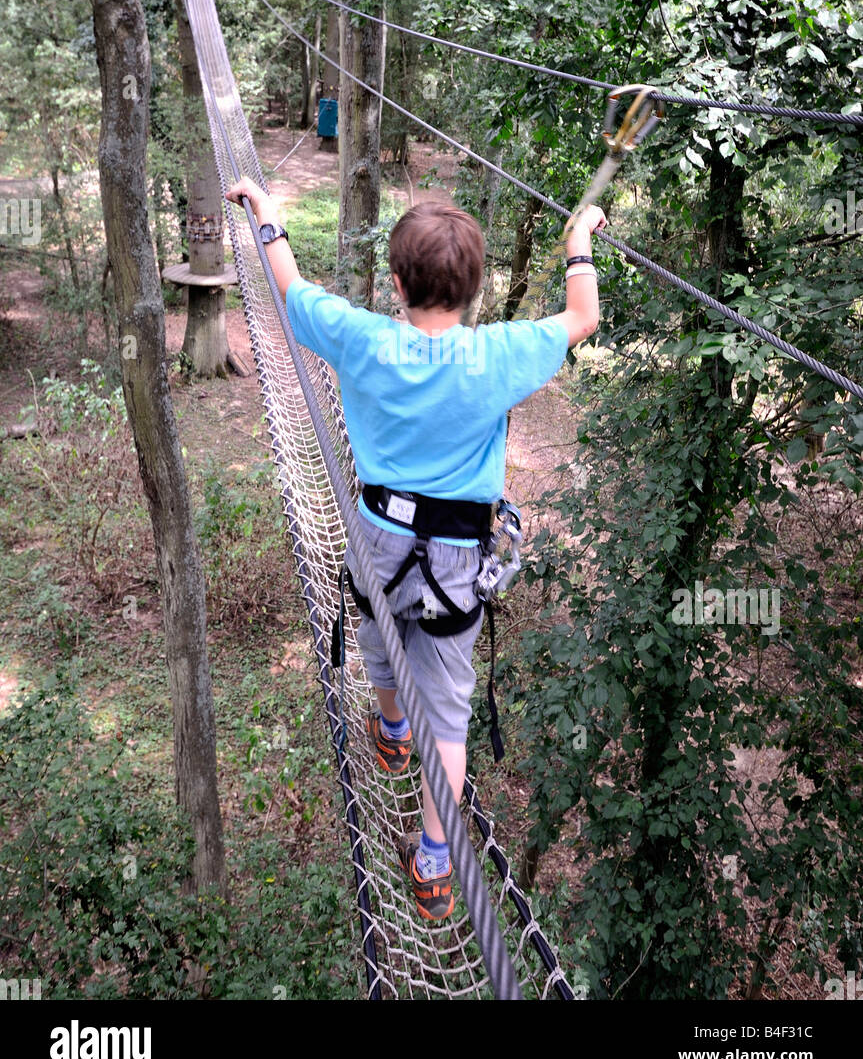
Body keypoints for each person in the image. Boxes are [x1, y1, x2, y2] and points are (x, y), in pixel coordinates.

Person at [226, 175, 606, 920]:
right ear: (474, 289)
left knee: (375, 633)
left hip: (374, 537)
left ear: (395, 283)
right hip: (455, 560)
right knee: (450, 713)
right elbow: (581, 317)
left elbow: (291, 289)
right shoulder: (500, 354)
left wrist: (268, 218)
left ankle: (390, 727)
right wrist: (578, 243)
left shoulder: (361, 339)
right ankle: (434, 859)